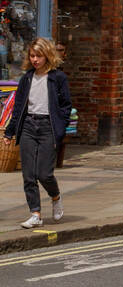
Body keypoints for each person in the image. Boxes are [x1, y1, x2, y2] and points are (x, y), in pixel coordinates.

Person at [3, 38, 72, 228]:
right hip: (28, 126)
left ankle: (56, 197)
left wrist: (60, 127)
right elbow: (18, 108)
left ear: (47, 56)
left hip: (47, 127)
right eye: (32, 56)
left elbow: (66, 106)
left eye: (38, 56)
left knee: (44, 174)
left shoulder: (58, 78)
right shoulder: (26, 78)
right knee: (28, 174)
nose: (35, 59)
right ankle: (35, 214)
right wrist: (10, 132)